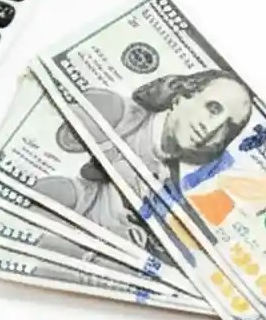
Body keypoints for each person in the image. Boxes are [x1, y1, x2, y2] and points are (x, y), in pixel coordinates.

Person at [34, 69, 254, 260]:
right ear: (180, 96)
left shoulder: (171, 185)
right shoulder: (114, 112)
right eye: (213, 109)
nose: (213, 128)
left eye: (228, 127)